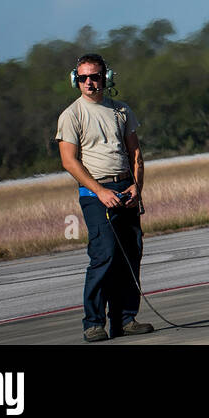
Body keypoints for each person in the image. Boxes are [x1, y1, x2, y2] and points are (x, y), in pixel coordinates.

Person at [56, 54, 154, 342]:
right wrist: (100, 191)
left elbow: (135, 153)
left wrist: (138, 187)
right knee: (106, 255)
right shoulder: (71, 115)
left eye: (95, 76)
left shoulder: (121, 110)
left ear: (106, 78)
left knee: (131, 253)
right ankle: (93, 322)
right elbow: (69, 161)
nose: (90, 82)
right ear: (76, 80)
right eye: (83, 77)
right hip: (95, 193)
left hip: (126, 188)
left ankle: (125, 319)